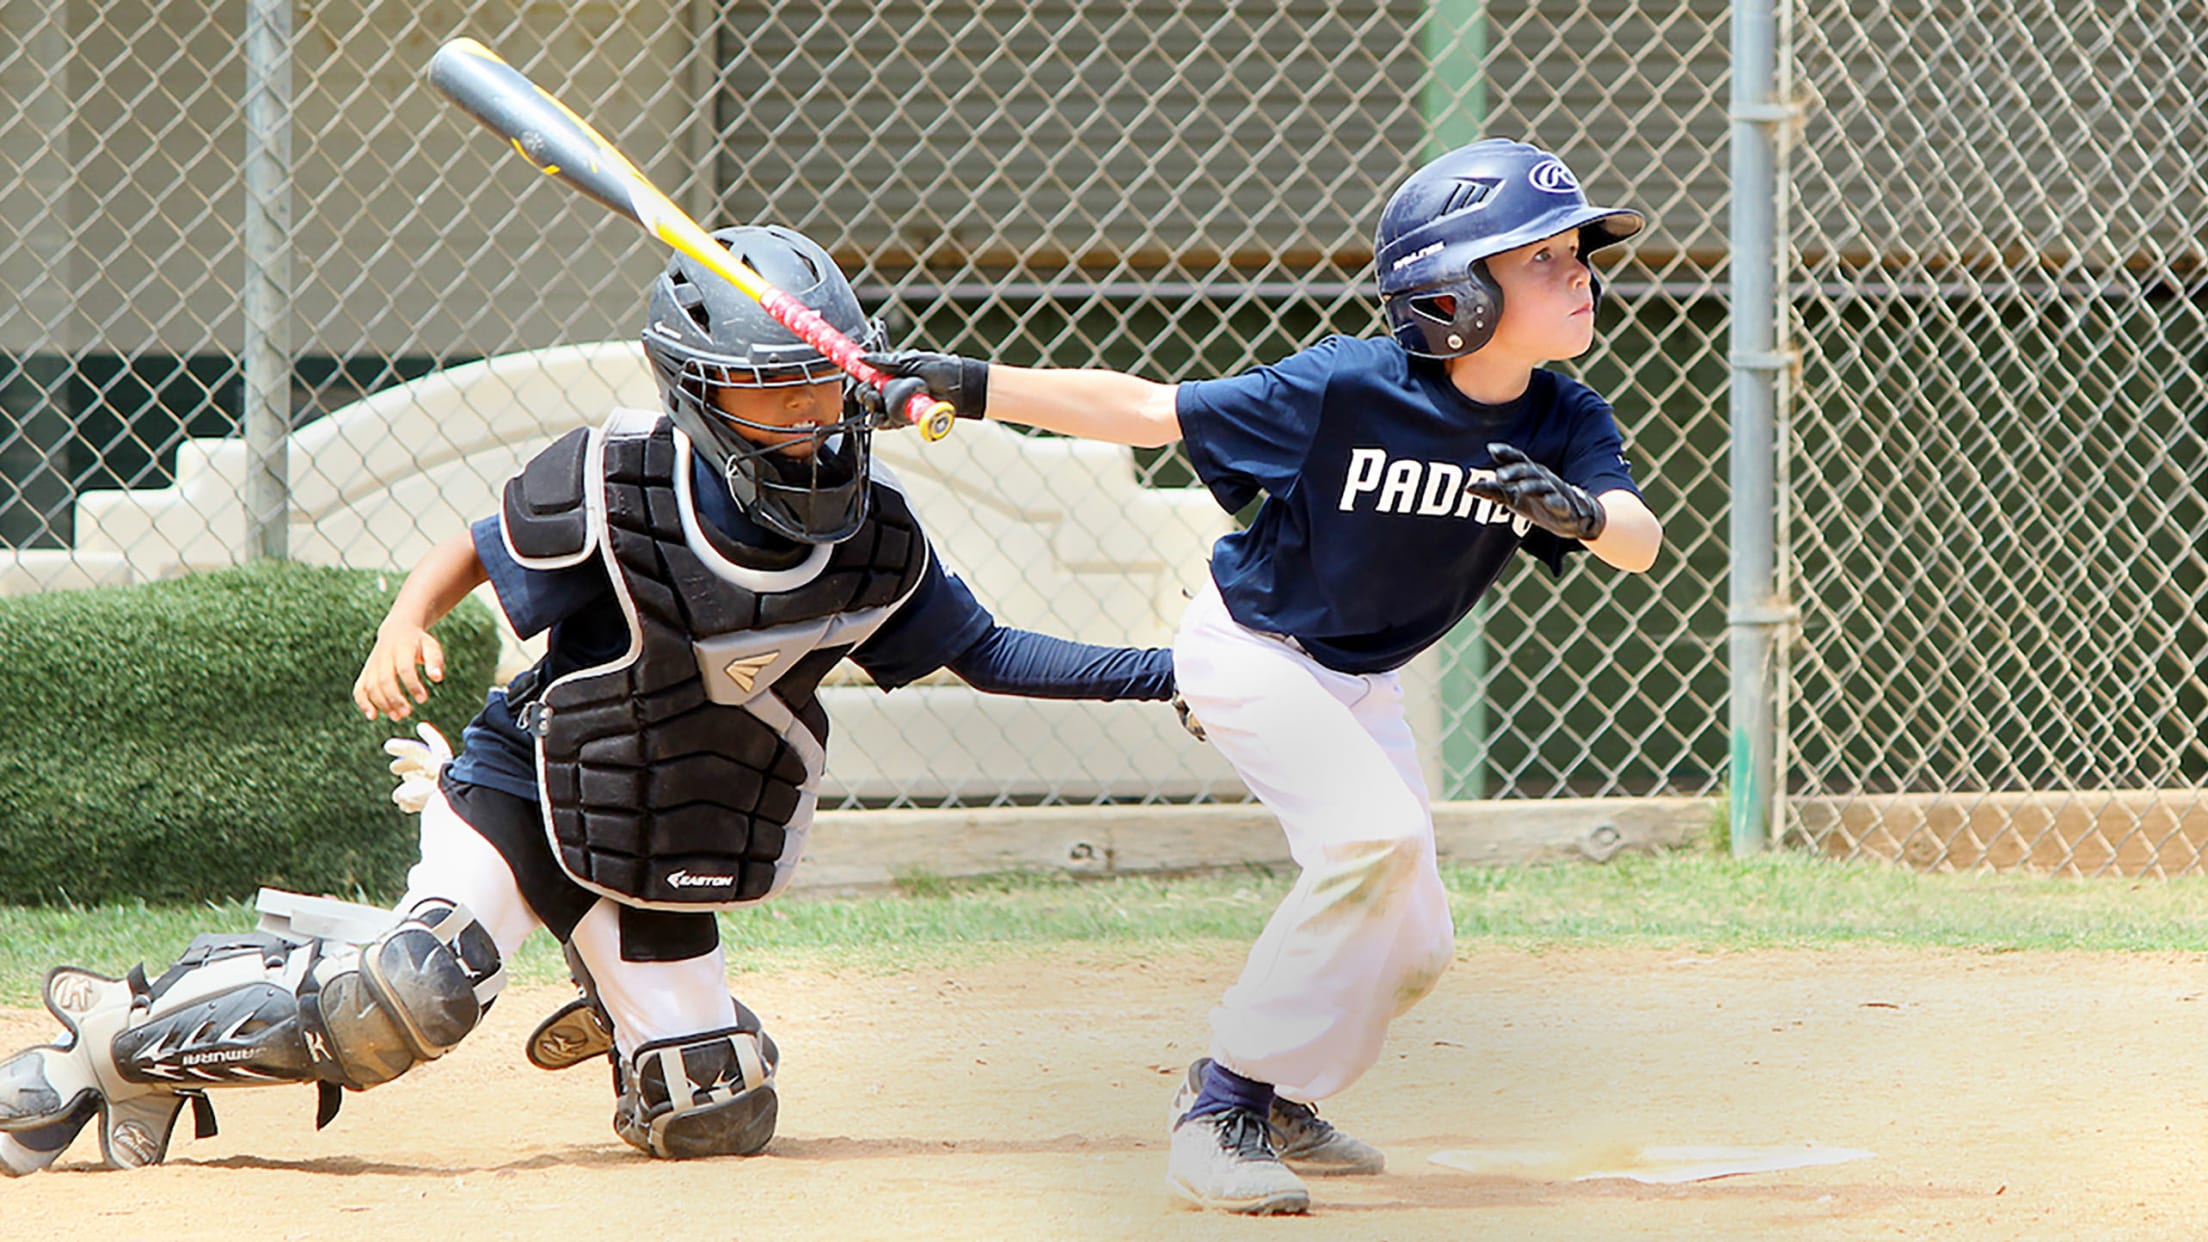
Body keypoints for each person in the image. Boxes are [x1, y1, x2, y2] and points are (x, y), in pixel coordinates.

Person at [0, 224, 1177, 1175]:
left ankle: (625, 1003)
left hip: (666, 841)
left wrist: (1172, 673)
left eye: (824, 385)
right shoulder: (622, 482)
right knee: (403, 999)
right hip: (525, 790)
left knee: (714, 1115)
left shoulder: (875, 537)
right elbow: (474, 547)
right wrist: (406, 620)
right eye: (773, 394)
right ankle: (114, 1041)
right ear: (699, 393)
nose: (811, 419)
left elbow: (991, 653)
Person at [864, 138, 1665, 1215]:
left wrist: (1580, 514)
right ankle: (1220, 1112)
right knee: (1372, 841)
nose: (1579, 275)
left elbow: (1638, 538)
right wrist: (969, 384)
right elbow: (1148, 411)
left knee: (1416, 947)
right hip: (1250, 651)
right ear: (1453, 291)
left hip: (1361, 680)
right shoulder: (1345, 387)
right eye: (1541, 258)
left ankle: (1277, 1092)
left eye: (1577, 252)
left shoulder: (1564, 418)